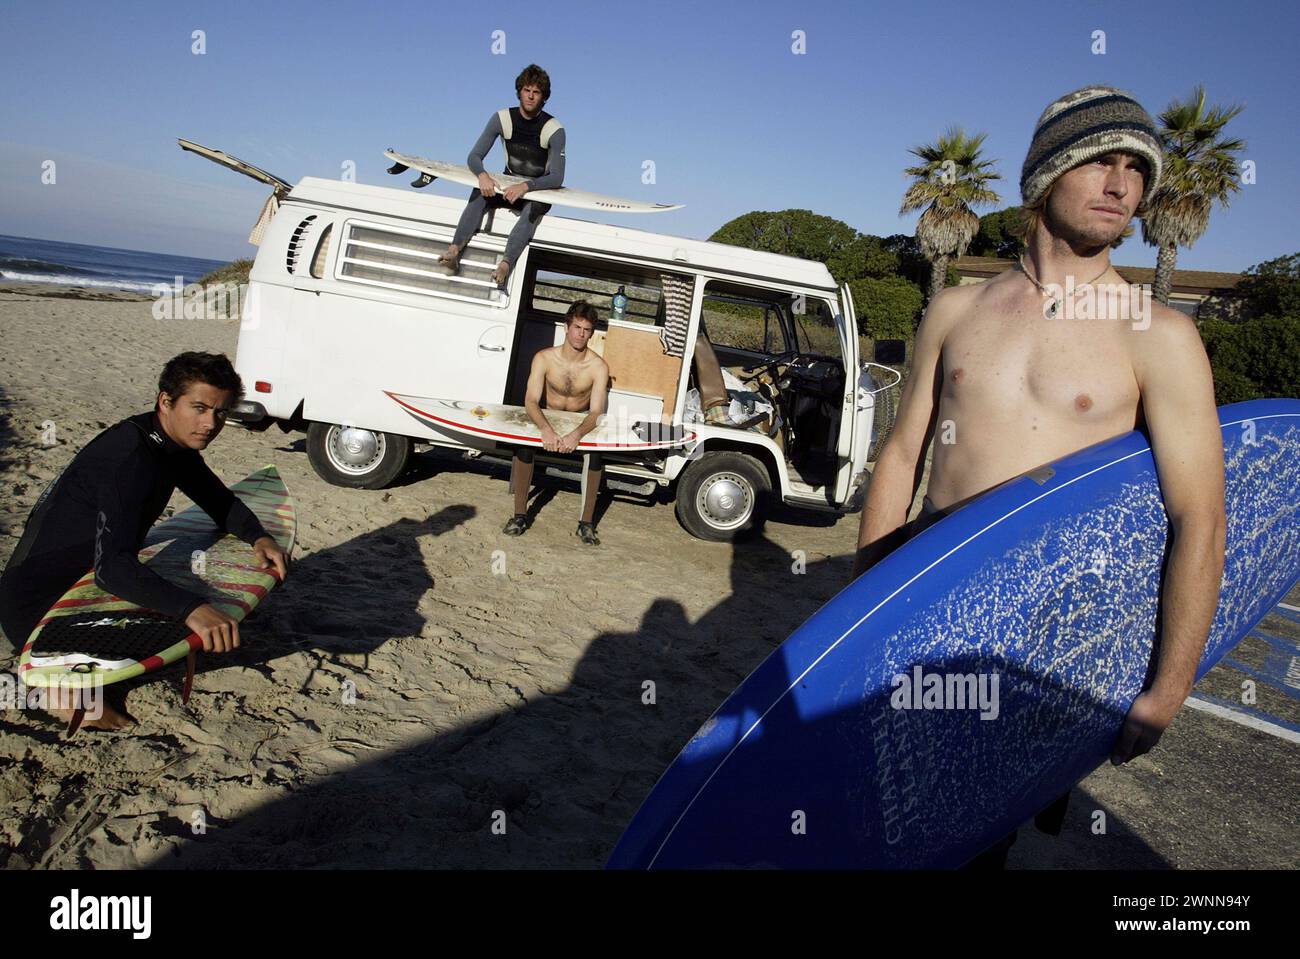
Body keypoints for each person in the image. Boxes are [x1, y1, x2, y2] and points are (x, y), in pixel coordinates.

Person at [852, 85, 1227, 865]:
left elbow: (1201, 516)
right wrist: (862, 613)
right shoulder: (956, 309)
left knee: (977, 840)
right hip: (928, 605)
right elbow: (900, 455)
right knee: (885, 817)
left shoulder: (1160, 335)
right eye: (1099, 162)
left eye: (1136, 169)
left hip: (1041, 636)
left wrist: (1168, 686)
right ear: (1044, 176)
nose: (1122, 185)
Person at [0, 352, 291, 730]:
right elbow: (113, 570)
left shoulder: (165, 441)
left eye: (220, 412)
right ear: (165, 401)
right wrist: (191, 608)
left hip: (82, 578)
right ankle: (56, 690)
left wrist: (258, 536)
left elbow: (216, 499)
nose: (209, 424)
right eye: (199, 408)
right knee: (181, 629)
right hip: (40, 609)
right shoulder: (132, 461)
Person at [438, 64, 566, 289]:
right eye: (527, 90)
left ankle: (505, 265)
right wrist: (483, 175)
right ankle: (454, 250)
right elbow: (474, 156)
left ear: (543, 97)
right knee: (479, 191)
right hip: (507, 183)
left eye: (536, 92)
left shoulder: (553, 128)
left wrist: (526, 186)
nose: (530, 96)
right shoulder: (502, 118)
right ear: (519, 91)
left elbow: (556, 177)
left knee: (534, 208)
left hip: (537, 189)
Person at [503, 302, 610, 545]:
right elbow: (530, 401)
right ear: (566, 327)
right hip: (547, 416)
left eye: (587, 330)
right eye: (577, 327)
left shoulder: (598, 366)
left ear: (592, 333)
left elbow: (595, 412)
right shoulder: (544, 358)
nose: (581, 334)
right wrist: (545, 429)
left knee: (596, 454)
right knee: (524, 446)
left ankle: (586, 523)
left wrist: (576, 435)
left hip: (578, 421)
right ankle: (520, 515)